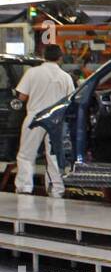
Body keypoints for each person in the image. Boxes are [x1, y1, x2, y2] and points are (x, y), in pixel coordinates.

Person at [14, 44, 77, 198]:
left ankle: (25, 188)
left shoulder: (32, 73)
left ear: (43, 56)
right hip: (56, 120)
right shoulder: (65, 76)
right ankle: (56, 189)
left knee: (26, 155)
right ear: (60, 58)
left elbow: (21, 97)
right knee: (54, 155)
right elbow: (71, 99)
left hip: (35, 117)